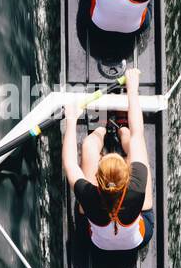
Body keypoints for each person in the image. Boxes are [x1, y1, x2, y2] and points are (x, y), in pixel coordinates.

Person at [63, 67, 154, 251]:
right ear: (128, 174)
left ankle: (99, 130)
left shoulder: (88, 194)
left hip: (95, 244)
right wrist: (132, 90)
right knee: (134, 140)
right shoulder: (137, 184)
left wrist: (71, 120)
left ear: (97, 177)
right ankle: (122, 128)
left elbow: (70, 163)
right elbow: (138, 134)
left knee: (89, 146)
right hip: (138, 239)